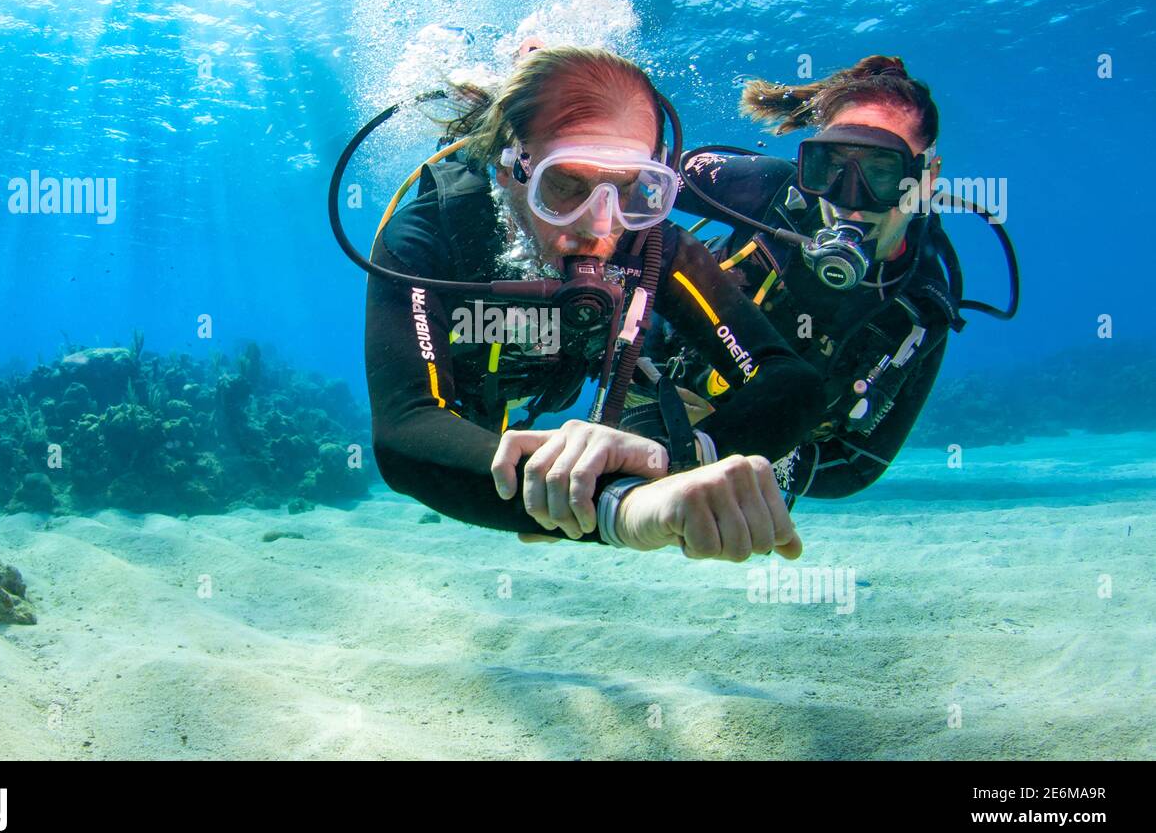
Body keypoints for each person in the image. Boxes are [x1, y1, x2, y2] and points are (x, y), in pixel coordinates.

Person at [358, 46, 826, 559]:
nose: (599, 227)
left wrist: (679, 458)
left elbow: (790, 382)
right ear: (508, 167)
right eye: (563, 184)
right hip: (474, 410)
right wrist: (618, 507)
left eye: (630, 189)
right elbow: (408, 431)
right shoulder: (429, 236)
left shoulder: (651, 246)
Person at [650, 55, 966, 501]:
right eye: (829, 169)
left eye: (881, 174)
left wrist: (728, 450)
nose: (849, 203)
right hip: (653, 373)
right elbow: (635, 175)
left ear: (927, 179)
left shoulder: (923, 294)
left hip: (744, 464)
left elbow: (858, 467)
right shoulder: (773, 190)